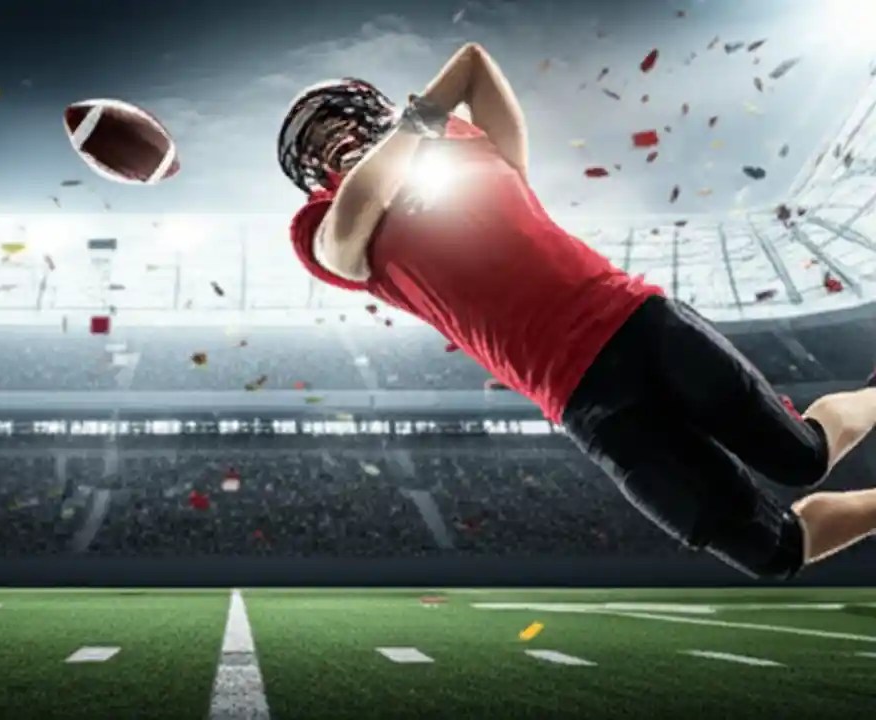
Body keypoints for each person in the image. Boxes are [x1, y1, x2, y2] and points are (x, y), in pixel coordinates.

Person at [277, 42, 876, 580]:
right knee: (772, 551)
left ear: (369, 108)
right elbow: (364, 201)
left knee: (802, 456)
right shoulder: (324, 228)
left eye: (332, 121)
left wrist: (424, 128)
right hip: (584, 400)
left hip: (637, 322)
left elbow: (475, 64)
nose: (329, 140)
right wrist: (415, 125)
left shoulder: (459, 143)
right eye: (313, 144)